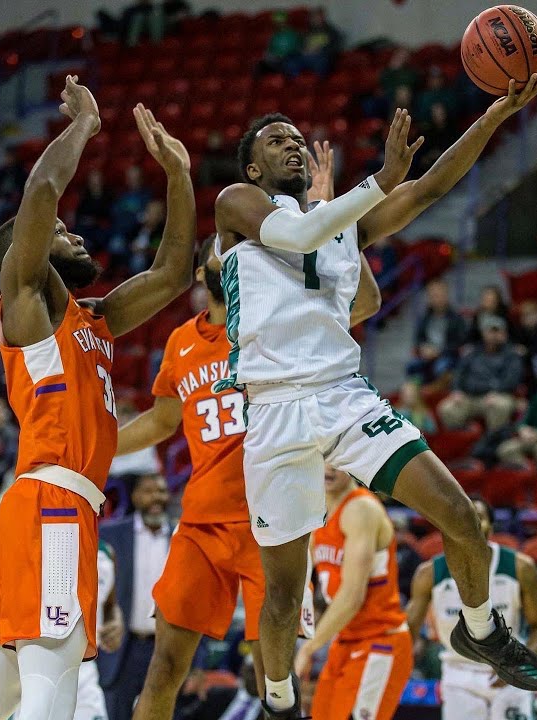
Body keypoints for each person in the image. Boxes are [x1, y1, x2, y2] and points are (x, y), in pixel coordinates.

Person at [209, 73, 537, 718]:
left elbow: (431, 188)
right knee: (283, 595)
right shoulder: (237, 205)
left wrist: (496, 114)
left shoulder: (341, 224)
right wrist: (372, 184)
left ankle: (478, 628)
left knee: (459, 515)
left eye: (297, 138)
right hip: (274, 410)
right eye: (276, 140)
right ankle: (280, 703)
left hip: (344, 397)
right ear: (254, 165)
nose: (291, 144)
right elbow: (295, 238)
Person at [0, 79, 196, 720]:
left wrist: (178, 177)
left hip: (57, 507)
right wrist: (83, 124)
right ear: (27, 255)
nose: (75, 236)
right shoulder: (27, 306)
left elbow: (171, 275)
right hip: (53, 504)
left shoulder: (95, 320)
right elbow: (41, 191)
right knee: (53, 686)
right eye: (58, 233)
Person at [110, 145, 380, 720]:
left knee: (273, 674)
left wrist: (328, 213)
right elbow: (162, 421)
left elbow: (365, 301)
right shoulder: (181, 341)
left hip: (272, 518)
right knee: (165, 669)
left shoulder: (277, 317)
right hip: (203, 521)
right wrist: (93, 448)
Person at [405, 494, 537, 720]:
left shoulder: (519, 567)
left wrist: (518, 666)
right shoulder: (429, 573)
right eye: (463, 517)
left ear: (491, 527)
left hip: (507, 670)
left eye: (478, 517)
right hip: (458, 674)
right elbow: (409, 632)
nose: (469, 523)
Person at [294, 465, 415, 720]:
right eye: (323, 458)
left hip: (380, 639)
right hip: (345, 641)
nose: (328, 468)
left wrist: (308, 648)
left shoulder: (361, 509)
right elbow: (301, 581)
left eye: (338, 461)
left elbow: (352, 597)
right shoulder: (318, 511)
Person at [97, 473, 174, 720]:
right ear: (134, 497)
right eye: (149, 491)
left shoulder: (181, 537)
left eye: (161, 491)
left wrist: (197, 663)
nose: (156, 498)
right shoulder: (111, 535)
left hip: (167, 647)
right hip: (123, 648)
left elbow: (196, 602)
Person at [75, 540, 126, 720]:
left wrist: (115, 621)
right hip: (40, 668)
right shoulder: (36, 545)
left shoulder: (105, 552)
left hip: (84, 671)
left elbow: (109, 606)